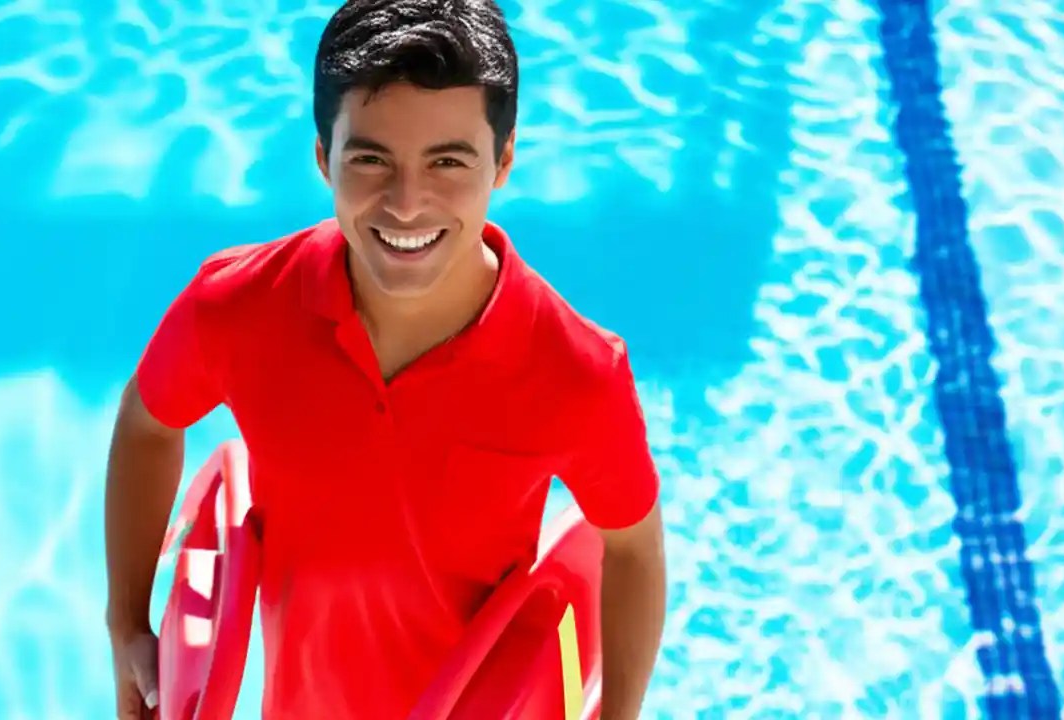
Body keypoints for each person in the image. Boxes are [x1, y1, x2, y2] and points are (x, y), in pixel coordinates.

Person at [103, 0, 667, 717]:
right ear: (323, 158)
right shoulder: (238, 305)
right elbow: (149, 421)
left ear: (503, 163)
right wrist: (127, 623)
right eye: (370, 159)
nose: (406, 204)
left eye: (448, 162)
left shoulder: (576, 371)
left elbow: (632, 549)